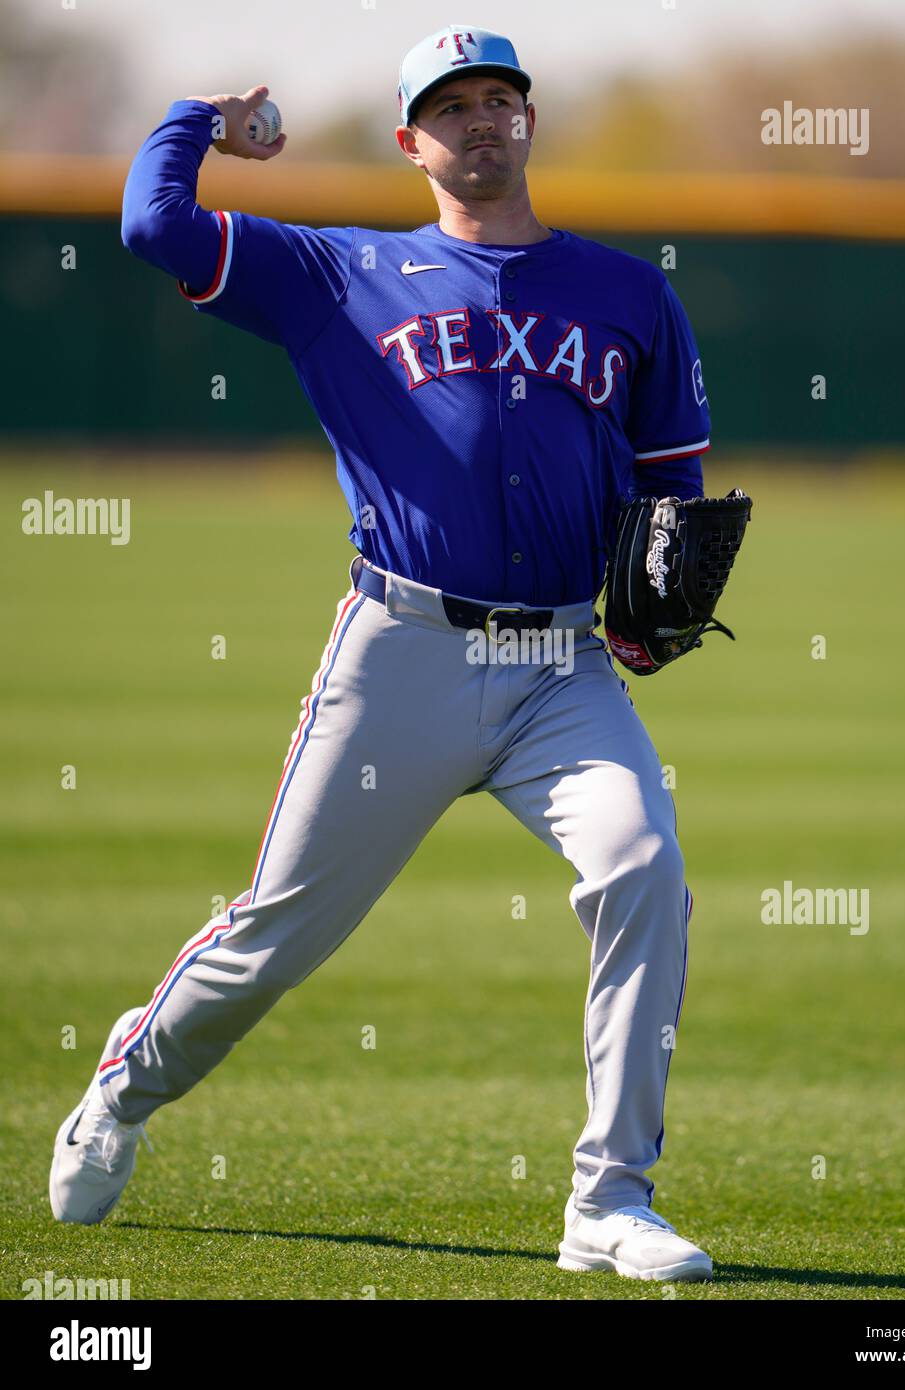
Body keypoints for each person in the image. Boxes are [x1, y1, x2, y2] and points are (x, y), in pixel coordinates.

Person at [49, 24, 714, 1284]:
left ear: (529, 123)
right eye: (449, 107)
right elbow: (153, 226)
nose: (479, 121)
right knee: (272, 938)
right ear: (410, 142)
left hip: (562, 669)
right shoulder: (338, 271)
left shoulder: (629, 293)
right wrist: (199, 115)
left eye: (499, 100)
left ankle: (607, 1201)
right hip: (399, 654)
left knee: (642, 867)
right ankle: (122, 1090)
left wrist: (653, 593)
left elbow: (670, 479)